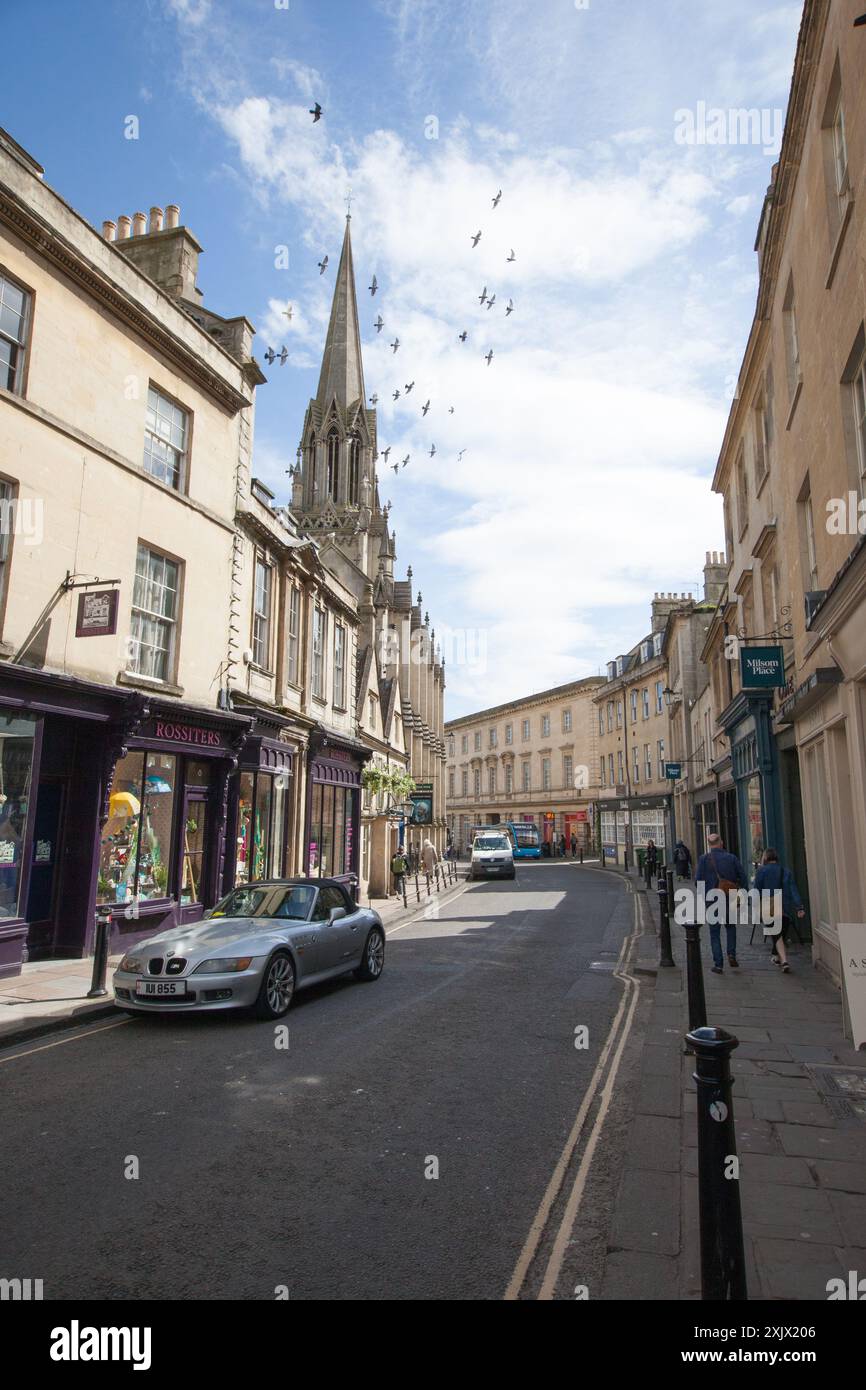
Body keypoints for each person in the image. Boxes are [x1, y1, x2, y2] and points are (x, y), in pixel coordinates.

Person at [695, 833, 748, 974]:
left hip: (712, 901)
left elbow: (698, 881)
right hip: (729, 898)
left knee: (714, 932)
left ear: (709, 844)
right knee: (730, 927)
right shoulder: (731, 858)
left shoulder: (704, 859)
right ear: (721, 843)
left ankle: (718, 964)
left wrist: (703, 899)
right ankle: (731, 954)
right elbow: (743, 878)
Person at [754, 848, 806, 973]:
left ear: (765, 858)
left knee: (777, 934)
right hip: (784, 907)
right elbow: (793, 890)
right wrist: (799, 907)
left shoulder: (761, 872)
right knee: (779, 934)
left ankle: (784, 961)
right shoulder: (785, 871)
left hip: (769, 907)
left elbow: (756, 891)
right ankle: (776, 957)